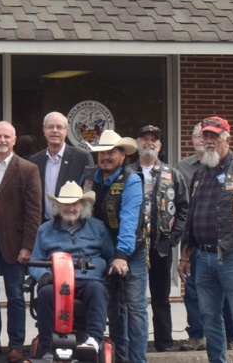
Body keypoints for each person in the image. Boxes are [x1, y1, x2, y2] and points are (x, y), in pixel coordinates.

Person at [178, 116, 233, 363]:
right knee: (209, 316)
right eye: (205, 136)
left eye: (214, 136)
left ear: (227, 138)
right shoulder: (199, 175)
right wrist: (185, 255)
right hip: (202, 258)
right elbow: (191, 218)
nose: (208, 141)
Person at [29, 181, 115, 360]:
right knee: (45, 293)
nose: (70, 208)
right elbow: (34, 261)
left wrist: (112, 267)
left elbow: (110, 256)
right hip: (57, 281)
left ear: (82, 206)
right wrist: (43, 275)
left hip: (90, 279)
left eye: (74, 203)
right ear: (58, 207)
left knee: (97, 290)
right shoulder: (45, 230)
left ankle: (92, 341)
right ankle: (47, 349)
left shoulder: (97, 227)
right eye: (65, 204)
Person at [80, 130, 146, 363]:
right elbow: (80, 213)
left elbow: (130, 220)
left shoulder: (132, 179)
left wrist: (121, 255)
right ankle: (118, 359)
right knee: (114, 311)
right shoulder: (88, 176)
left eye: (110, 152)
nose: (105, 157)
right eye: (101, 153)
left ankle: (137, 361)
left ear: (122, 154)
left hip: (129, 252)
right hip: (97, 253)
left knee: (135, 311)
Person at [175, 122, 233, 352]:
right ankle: (197, 335)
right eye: (199, 136)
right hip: (194, 240)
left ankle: (231, 337)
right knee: (192, 290)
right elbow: (179, 205)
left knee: (228, 294)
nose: (203, 140)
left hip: (225, 243)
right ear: (193, 140)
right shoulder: (183, 167)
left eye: (209, 136)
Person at [0, 121, 41, 363]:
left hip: (15, 242)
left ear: (14, 140)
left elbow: (34, 211)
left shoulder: (27, 169)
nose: (2, 140)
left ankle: (16, 345)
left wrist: (28, 245)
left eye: (7, 136)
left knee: (15, 296)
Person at [125, 125, 188, 353]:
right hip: (133, 246)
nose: (149, 143)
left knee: (161, 298)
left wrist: (173, 240)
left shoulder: (173, 174)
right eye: (145, 139)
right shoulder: (126, 172)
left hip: (161, 246)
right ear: (137, 143)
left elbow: (183, 209)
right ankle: (133, 344)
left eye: (154, 140)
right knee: (133, 299)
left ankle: (164, 345)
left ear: (160, 146)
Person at [30, 112, 93, 220]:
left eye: (59, 127)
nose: (55, 130)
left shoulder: (82, 158)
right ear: (44, 130)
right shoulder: (35, 161)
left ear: (66, 131)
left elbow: (89, 194)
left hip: (73, 225)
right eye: (50, 127)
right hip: (42, 226)